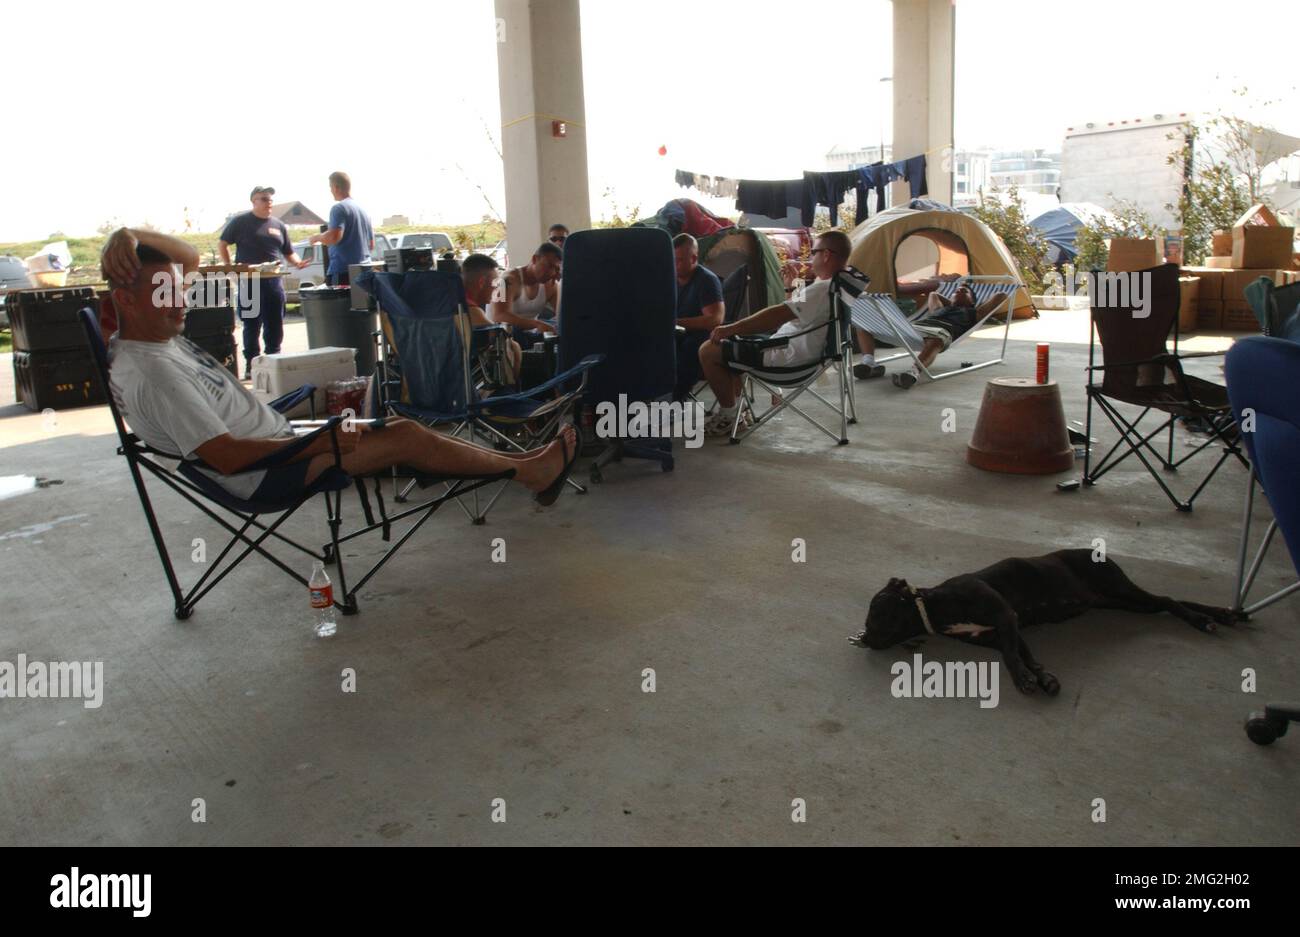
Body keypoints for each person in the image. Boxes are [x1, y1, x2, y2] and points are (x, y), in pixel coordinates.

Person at [101, 227, 577, 507]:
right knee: (407, 435)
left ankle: (526, 467)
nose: (181, 299)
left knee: (398, 425)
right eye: (165, 292)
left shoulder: (152, 336)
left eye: (178, 288)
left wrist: (130, 237)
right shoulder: (154, 372)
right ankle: (529, 471)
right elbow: (225, 457)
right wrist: (319, 441)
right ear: (125, 299)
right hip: (265, 472)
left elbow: (184, 258)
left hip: (282, 440)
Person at [697, 230, 851, 436]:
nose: (810, 257)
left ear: (826, 255)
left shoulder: (823, 289)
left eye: (814, 251)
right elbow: (799, 315)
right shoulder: (839, 285)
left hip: (787, 358)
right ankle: (738, 412)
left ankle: (730, 415)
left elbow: (776, 315)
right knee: (733, 344)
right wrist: (790, 287)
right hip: (800, 352)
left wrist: (730, 327)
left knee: (709, 350)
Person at [219, 186, 309, 374]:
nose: (269, 203)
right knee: (252, 324)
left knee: (275, 324)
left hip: (273, 282)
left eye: (270, 200)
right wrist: (230, 267)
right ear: (253, 201)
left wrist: (298, 263)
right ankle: (253, 366)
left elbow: (288, 252)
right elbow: (223, 244)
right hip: (250, 282)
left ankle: (273, 363)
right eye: (264, 199)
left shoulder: (278, 225)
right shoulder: (241, 222)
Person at [856, 281, 1008, 389]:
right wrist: (953, 302)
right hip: (913, 328)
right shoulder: (938, 309)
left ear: (973, 301)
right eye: (957, 291)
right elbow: (934, 294)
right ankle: (869, 363)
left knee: (936, 340)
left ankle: (913, 372)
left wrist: (966, 304)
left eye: (965, 291)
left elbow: (1001, 295)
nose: (959, 291)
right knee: (865, 325)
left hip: (940, 332)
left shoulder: (974, 312)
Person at [671, 233, 724, 400]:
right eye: (671, 259)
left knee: (690, 346)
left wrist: (676, 323)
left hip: (698, 336)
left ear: (693, 259)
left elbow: (715, 319)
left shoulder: (706, 280)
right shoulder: (670, 279)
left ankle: (675, 400)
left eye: (678, 260)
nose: (673, 265)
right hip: (675, 333)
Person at [462, 252, 522, 387]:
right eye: (495, 285)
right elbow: (500, 340)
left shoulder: (446, 301)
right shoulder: (468, 310)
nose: (497, 290)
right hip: (470, 385)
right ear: (481, 282)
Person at [489, 242, 562, 347]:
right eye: (549, 266)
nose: (552, 272)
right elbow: (499, 316)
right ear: (534, 259)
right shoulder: (507, 280)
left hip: (529, 335)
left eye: (556, 269)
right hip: (502, 338)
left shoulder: (551, 285)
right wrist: (536, 324)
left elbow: (561, 315)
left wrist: (562, 285)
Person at [308, 171, 374, 286]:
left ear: (336, 187)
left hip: (343, 272)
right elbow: (371, 244)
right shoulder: (363, 210)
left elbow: (334, 237)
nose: (330, 191)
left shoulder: (339, 208)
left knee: (340, 304)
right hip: (365, 271)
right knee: (363, 304)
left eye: (330, 187)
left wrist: (316, 237)